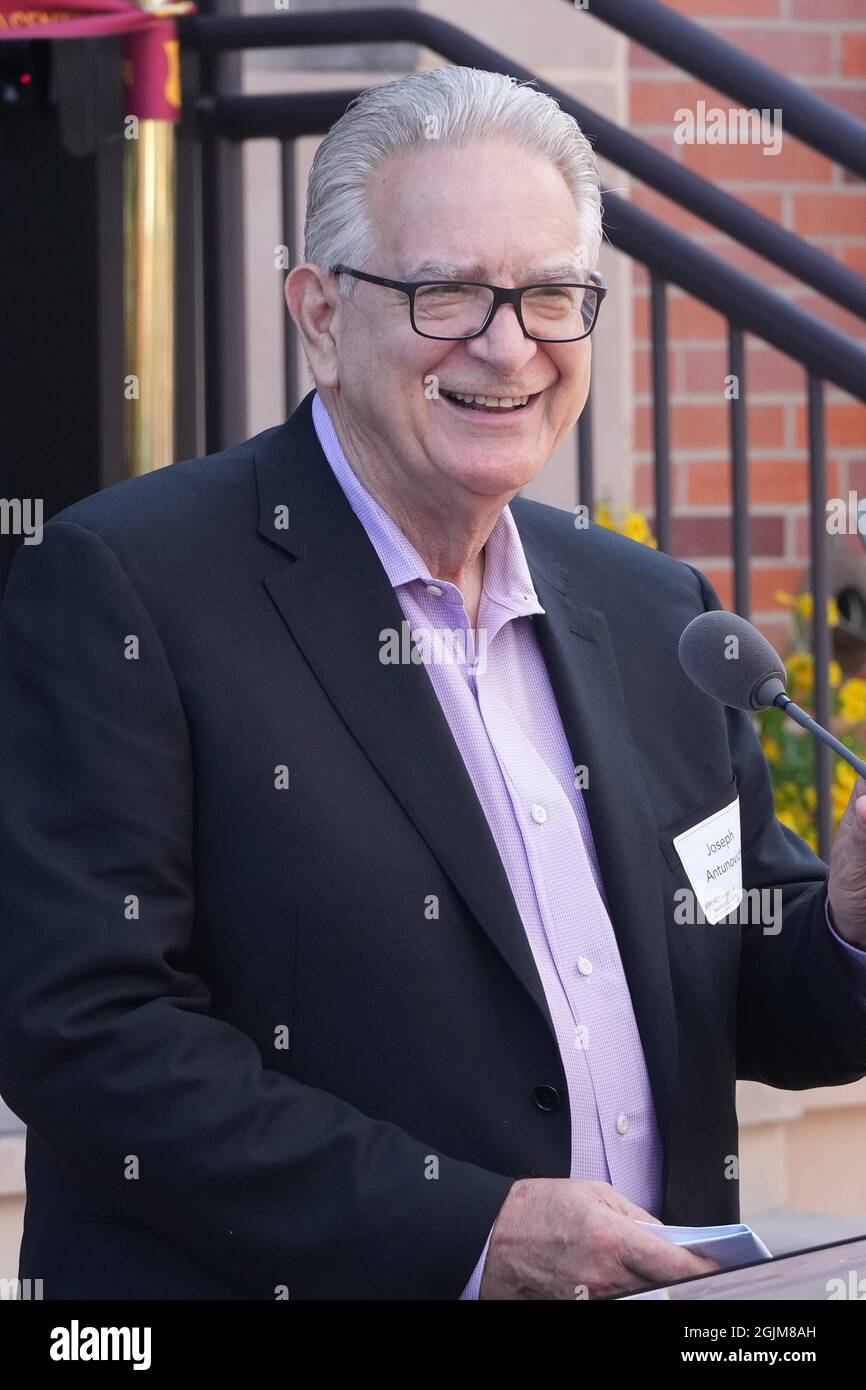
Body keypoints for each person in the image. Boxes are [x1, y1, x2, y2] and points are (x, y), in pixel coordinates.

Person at [2, 66, 866, 1302]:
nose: (506, 344)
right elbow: (85, 1035)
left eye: (551, 295)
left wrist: (842, 917)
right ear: (317, 311)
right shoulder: (130, 585)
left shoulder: (652, 613)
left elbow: (741, 989)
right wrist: (468, 1230)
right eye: (446, 290)